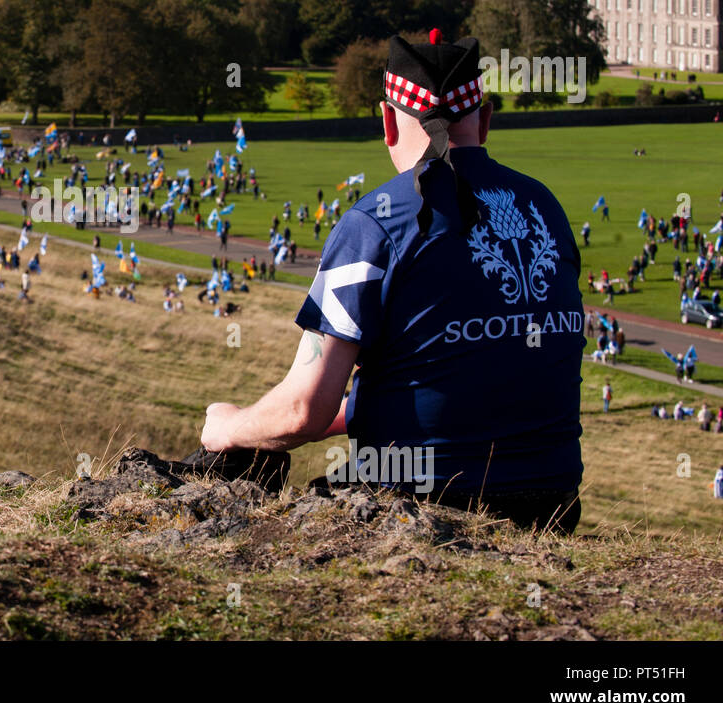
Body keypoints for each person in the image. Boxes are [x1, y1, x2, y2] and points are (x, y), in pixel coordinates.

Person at [200, 32, 585, 533]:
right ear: (485, 120)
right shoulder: (545, 208)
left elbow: (302, 412)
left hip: (427, 505)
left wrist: (228, 424)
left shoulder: (374, 223)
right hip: (553, 503)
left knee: (226, 470)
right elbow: (479, 366)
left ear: (387, 121)